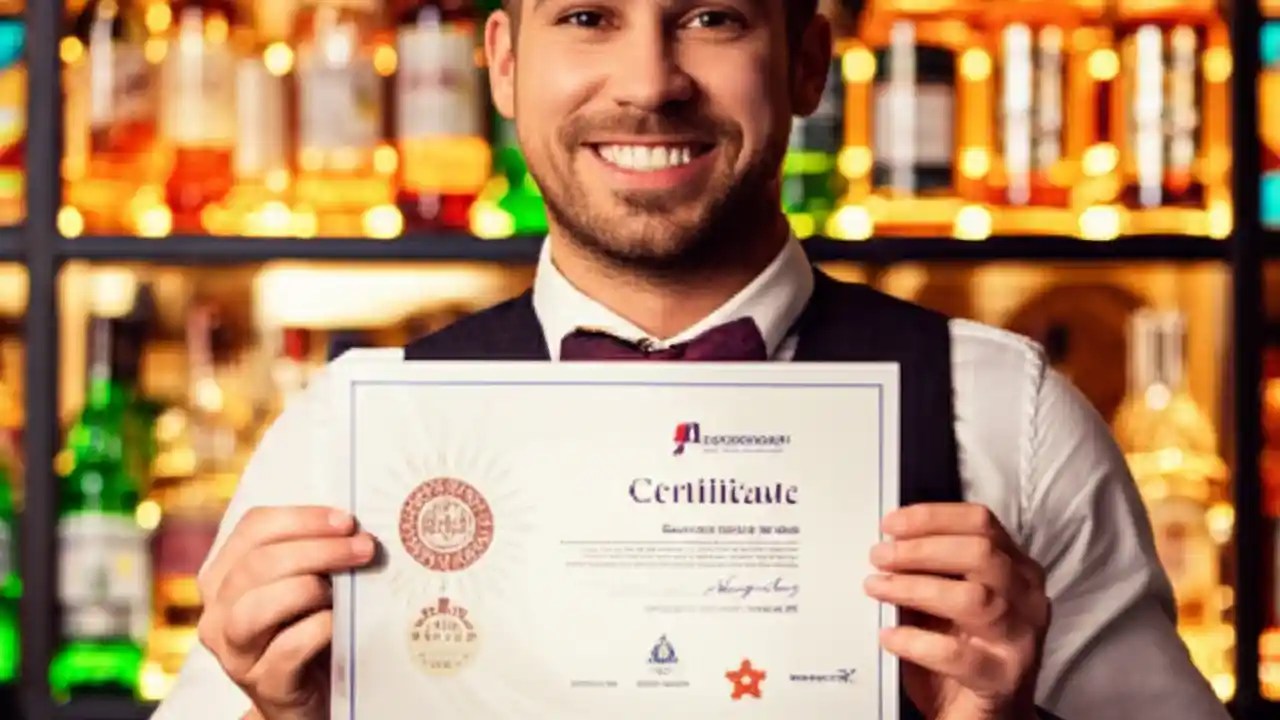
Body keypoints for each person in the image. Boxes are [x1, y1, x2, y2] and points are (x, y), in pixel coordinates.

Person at [153, 1, 1231, 719]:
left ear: (806, 62)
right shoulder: (348, 434)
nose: (649, 82)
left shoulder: (1010, 417)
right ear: (502, 63)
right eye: (587, 16)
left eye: (709, 17)